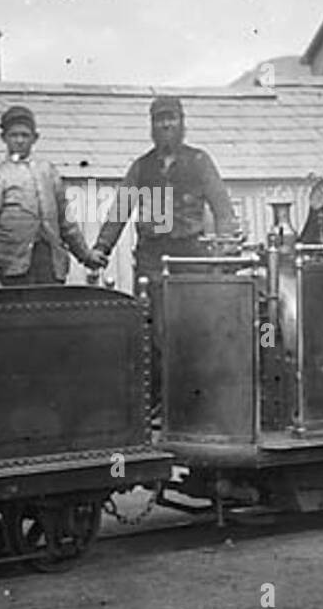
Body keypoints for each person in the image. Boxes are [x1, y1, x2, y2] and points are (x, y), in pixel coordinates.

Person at [93, 95, 238, 407]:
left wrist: (225, 246)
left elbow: (223, 209)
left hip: (191, 257)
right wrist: (100, 249)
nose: (166, 125)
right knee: (152, 331)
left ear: (182, 123)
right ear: (152, 126)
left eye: (172, 118)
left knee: (195, 329)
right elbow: (119, 212)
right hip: (152, 258)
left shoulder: (199, 162)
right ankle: (157, 403)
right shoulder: (142, 168)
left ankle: (195, 401)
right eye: (160, 120)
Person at [0, 105, 107, 287]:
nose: (19, 141)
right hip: (12, 272)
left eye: (25, 135)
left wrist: (86, 255)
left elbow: (66, 224)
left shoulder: (49, 173)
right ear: (3, 138)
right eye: (14, 135)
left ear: (35, 138)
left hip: (50, 268)